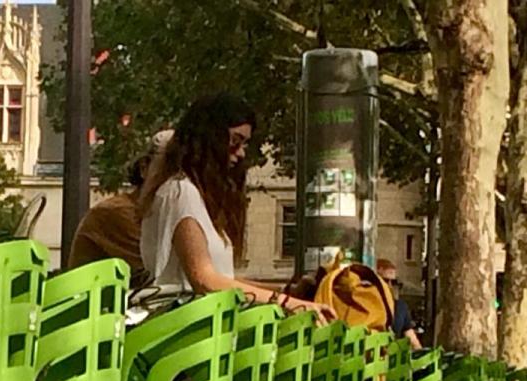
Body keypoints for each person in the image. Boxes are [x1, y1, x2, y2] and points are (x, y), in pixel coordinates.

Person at [138, 94, 334, 321]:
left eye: (244, 144)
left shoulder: (193, 195)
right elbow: (204, 280)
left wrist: (283, 294)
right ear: (209, 137)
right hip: (184, 328)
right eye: (234, 141)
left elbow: (222, 278)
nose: (240, 153)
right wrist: (288, 303)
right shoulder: (180, 192)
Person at [68, 131, 173, 286]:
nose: (179, 181)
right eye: (170, 168)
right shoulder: (117, 213)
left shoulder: (154, 214)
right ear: (144, 168)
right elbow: (163, 270)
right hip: (97, 307)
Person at [375, 259, 423, 349]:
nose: (389, 285)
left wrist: (421, 355)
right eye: (385, 281)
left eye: (393, 282)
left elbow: (411, 337)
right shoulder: (367, 304)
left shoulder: (400, 307)